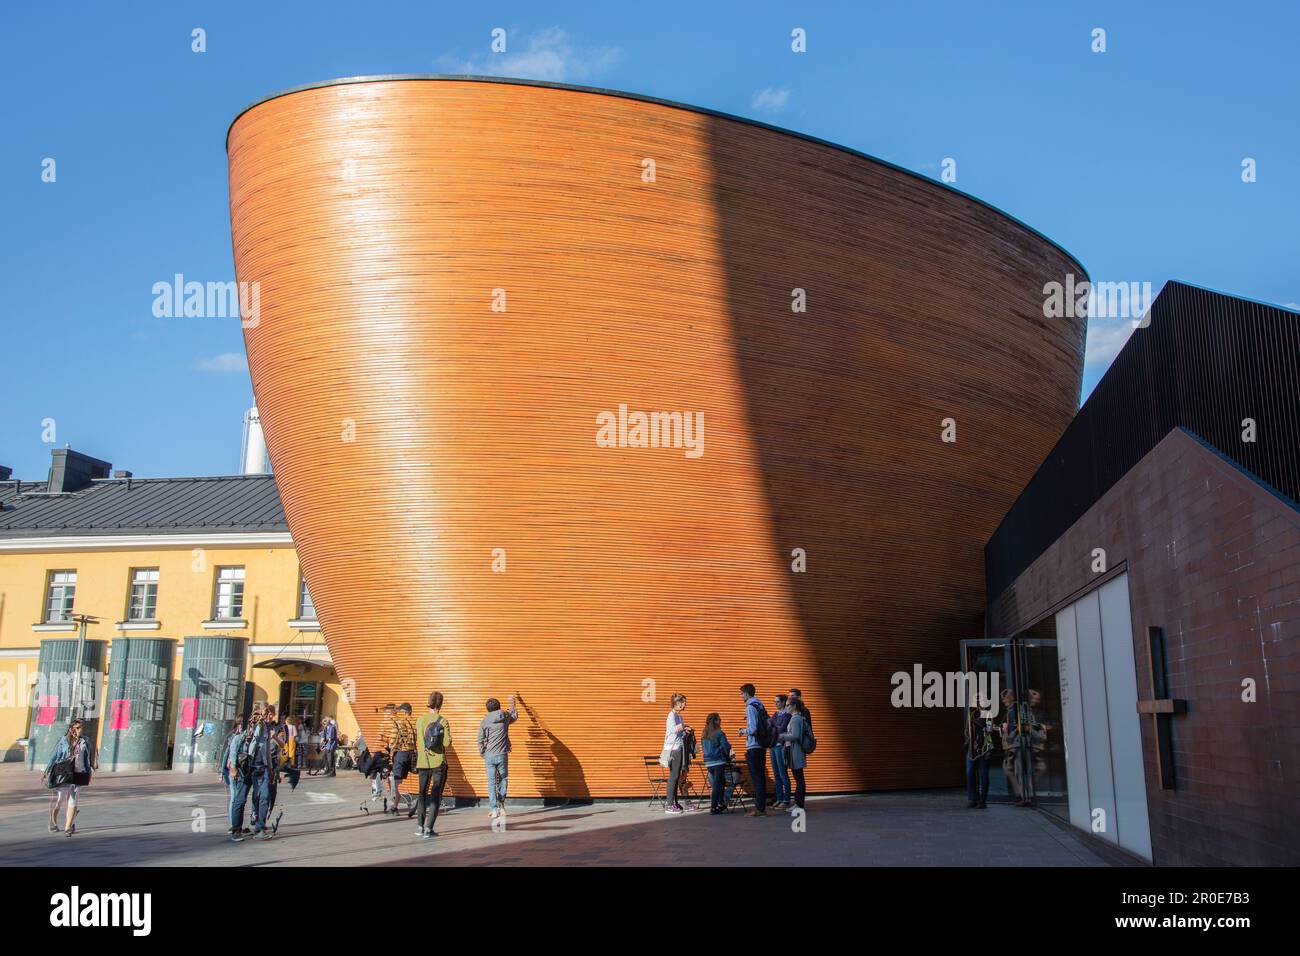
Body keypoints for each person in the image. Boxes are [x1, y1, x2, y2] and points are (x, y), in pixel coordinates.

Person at [230, 705, 279, 842]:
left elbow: (267, 748)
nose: (270, 716)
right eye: (267, 713)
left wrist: (270, 768)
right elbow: (234, 744)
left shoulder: (267, 728)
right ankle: (236, 829)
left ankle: (260, 829)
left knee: (263, 797)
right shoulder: (248, 725)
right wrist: (233, 766)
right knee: (240, 799)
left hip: (261, 768)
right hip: (246, 768)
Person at [42, 717, 97, 836]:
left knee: (73, 800)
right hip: (64, 774)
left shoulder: (85, 741)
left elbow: (89, 756)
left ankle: (68, 827)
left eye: (81, 728)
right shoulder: (63, 741)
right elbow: (54, 756)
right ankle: (53, 822)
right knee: (59, 800)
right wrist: (47, 772)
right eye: (77, 728)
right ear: (71, 729)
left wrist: (91, 768)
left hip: (79, 774)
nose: (80, 730)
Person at [415, 691, 452, 838]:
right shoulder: (442, 721)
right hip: (438, 763)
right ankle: (429, 829)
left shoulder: (419, 720)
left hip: (422, 762)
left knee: (421, 794)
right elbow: (447, 743)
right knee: (435, 795)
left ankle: (419, 827)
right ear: (440, 704)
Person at [477, 696, 518, 819]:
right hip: (502, 755)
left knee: (491, 783)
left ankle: (494, 809)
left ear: (488, 709)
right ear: (499, 707)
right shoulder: (505, 716)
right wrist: (512, 704)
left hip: (489, 755)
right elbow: (514, 716)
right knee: (503, 779)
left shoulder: (485, 721)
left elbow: (480, 739)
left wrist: (482, 752)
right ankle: (501, 805)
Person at [737, 684, 769, 816]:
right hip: (761, 745)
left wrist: (742, 731)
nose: (740, 696)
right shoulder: (759, 705)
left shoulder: (750, 707)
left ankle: (760, 810)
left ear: (746, 693)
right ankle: (761, 808)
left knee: (757, 778)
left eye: (741, 694)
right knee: (760, 777)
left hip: (754, 746)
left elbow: (753, 729)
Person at [661, 693, 691, 814]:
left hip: (679, 747)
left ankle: (675, 802)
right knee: (673, 777)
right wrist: (683, 727)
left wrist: (686, 731)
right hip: (673, 749)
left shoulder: (678, 716)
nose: (685, 705)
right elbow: (672, 730)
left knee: (677, 776)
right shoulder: (671, 716)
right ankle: (669, 805)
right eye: (683, 702)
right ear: (677, 703)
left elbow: (679, 733)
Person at [779, 697, 810, 810]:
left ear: (794, 706)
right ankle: (798, 804)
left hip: (796, 751)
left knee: (799, 778)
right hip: (794, 751)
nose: (786, 707)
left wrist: (781, 736)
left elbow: (795, 736)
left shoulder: (796, 719)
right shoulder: (795, 718)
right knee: (798, 777)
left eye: (788, 705)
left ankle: (799, 804)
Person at [700, 712, 734, 815]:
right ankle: (713, 807)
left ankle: (720, 803)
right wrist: (728, 757)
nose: (720, 721)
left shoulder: (704, 734)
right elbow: (726, 746)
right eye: (719, 719)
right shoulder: (719, 733)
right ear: (715, 721)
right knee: (717, 784)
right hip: (718, 761)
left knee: (720, 782)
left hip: (709, 762)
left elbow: (703, 747)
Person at [389, 703, 417, 815]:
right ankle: (418, 801)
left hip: (401, 753)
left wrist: (390, 748)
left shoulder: (399, 722)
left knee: (396, 782)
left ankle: (394, 807)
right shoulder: (416, 722)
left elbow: (393, 740)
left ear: (404, 712)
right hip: (414, 754)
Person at [965, 704, 994, 809]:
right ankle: (973, 799)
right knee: (970, 772)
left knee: (983, 774)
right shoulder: (972, 714)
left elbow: (989, 730)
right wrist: (970, 741)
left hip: (984, 748)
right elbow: (967, 731)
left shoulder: (988, 714)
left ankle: (982, 801)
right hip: (972, 748)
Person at [769, 693, 791, 810]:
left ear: (783, 702)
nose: (775, 704)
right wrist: (774, 727)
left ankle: (786, 800)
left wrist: (774, 727)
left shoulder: (787, 715)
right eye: (774, 702)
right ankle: (779, 798)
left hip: (780, 746)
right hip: (772, 746)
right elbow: (769, 726)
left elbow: (781, 728)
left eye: (777, 701)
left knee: (783, 774)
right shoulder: (775, 714)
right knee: (776, 774)